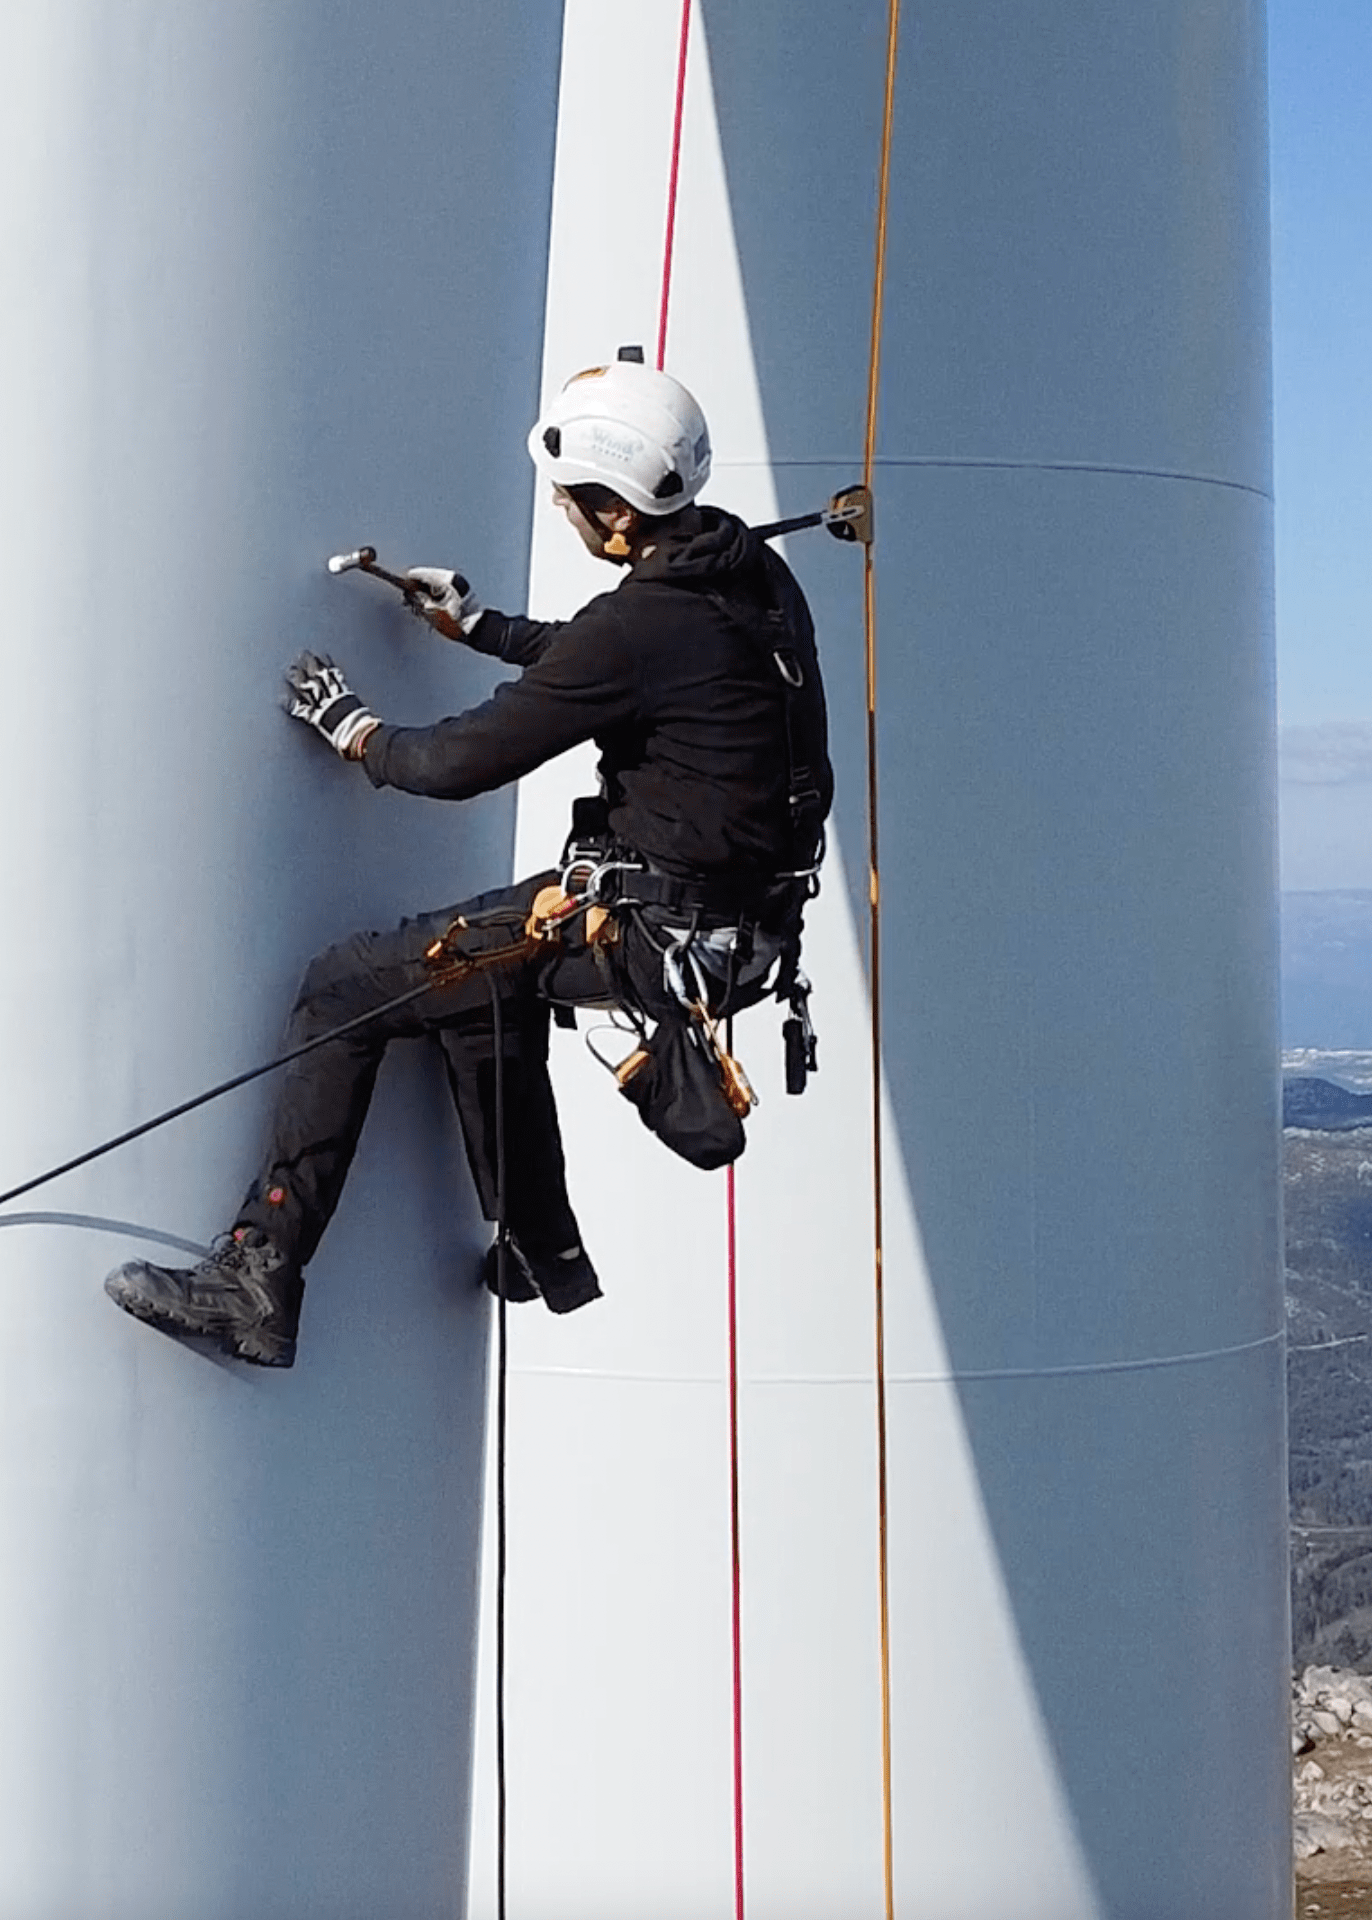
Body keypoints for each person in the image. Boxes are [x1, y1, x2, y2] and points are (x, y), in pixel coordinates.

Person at [104, 352, 835, 1368]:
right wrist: (479, 625)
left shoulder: (642, 624)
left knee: (343, 987)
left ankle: (258, 1276)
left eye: (569, 500)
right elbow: (620, 662)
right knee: (479, 989)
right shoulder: (748, 571)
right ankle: (544, 1250)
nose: (562, 512)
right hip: (737, 935)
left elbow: (458, 763)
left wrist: (359, 733)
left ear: (615, 513)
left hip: (651, 934)